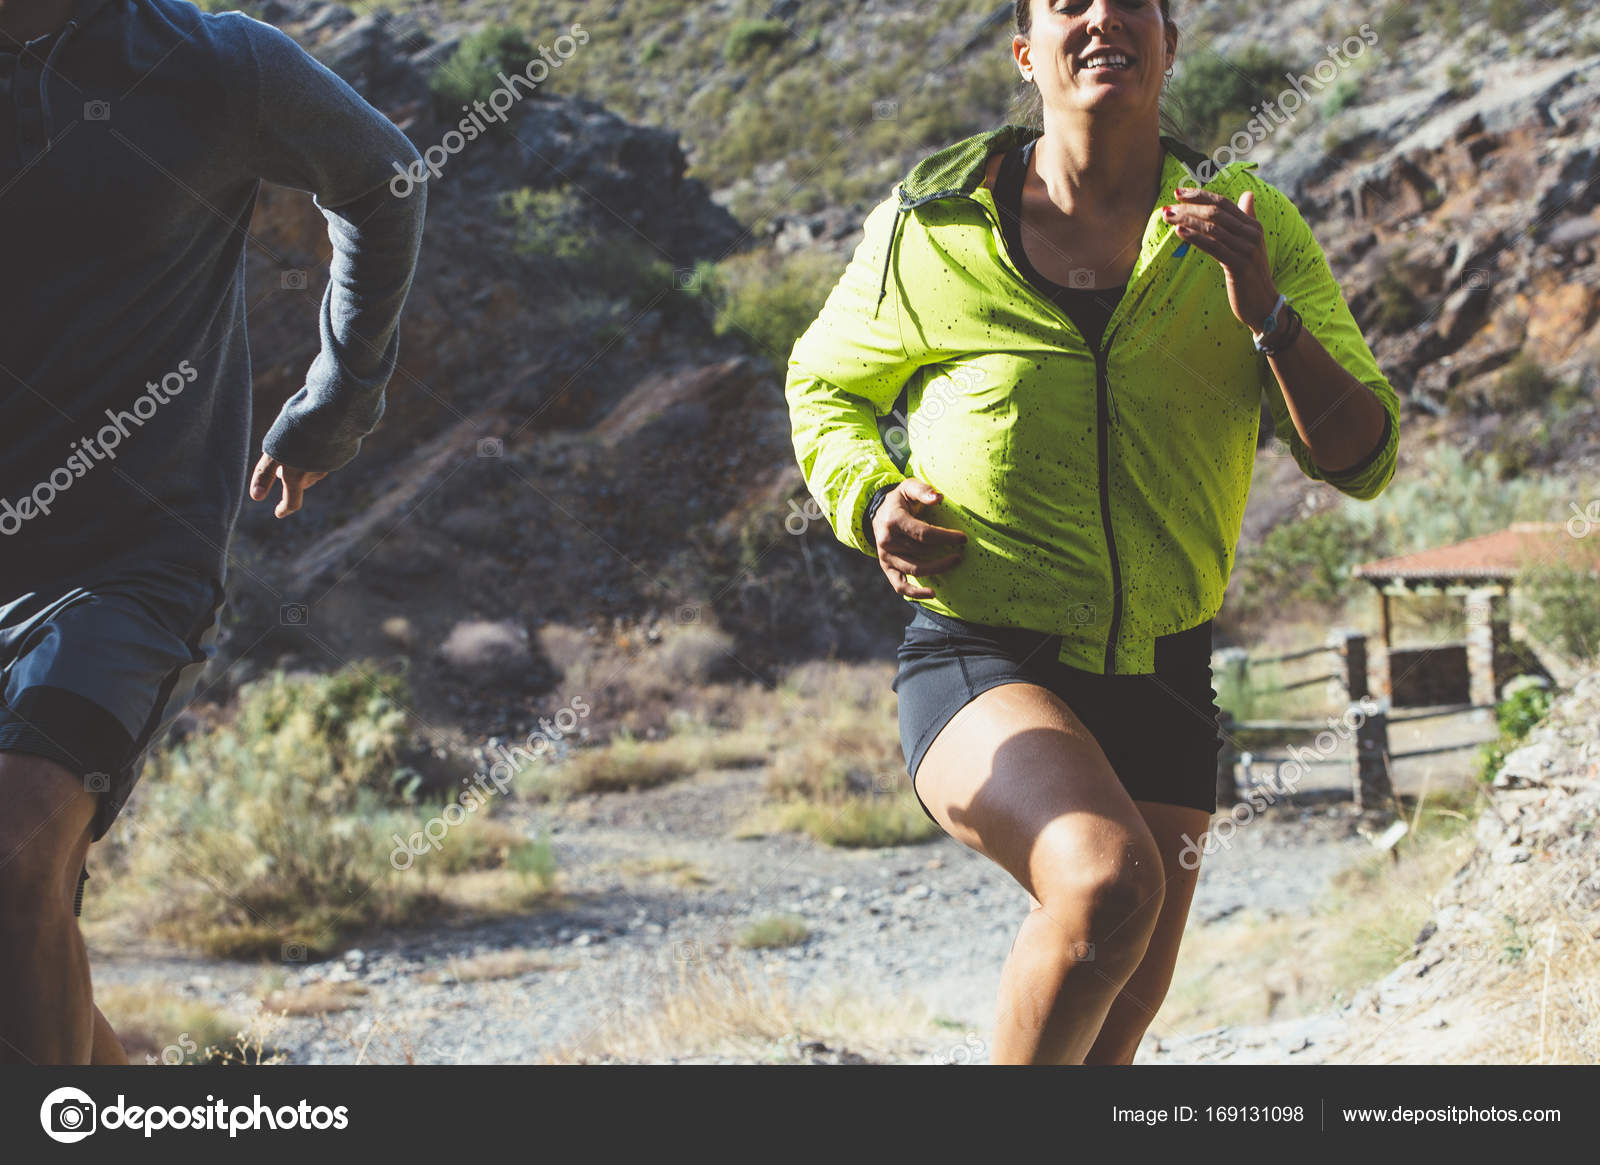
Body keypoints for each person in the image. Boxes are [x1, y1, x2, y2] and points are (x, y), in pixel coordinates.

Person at [785, 0, 1397, 1064]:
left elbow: (1360, 457)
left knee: (1104, 1037)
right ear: (1027, 51)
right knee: (1107, 881)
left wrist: (1265, 311)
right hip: (984, 649)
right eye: (1068, 0)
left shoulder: (1255, 226)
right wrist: (871, 497)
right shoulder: (932, 226)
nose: (1103, 13)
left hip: (1167, 671)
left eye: (1134, 0)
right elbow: (824, 385)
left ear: (1172, 41)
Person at [0, 0, 426, 1063]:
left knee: (14, 853)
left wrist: (341, 394)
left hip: (125, 560)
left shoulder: (214, 62)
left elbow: (385, 177)